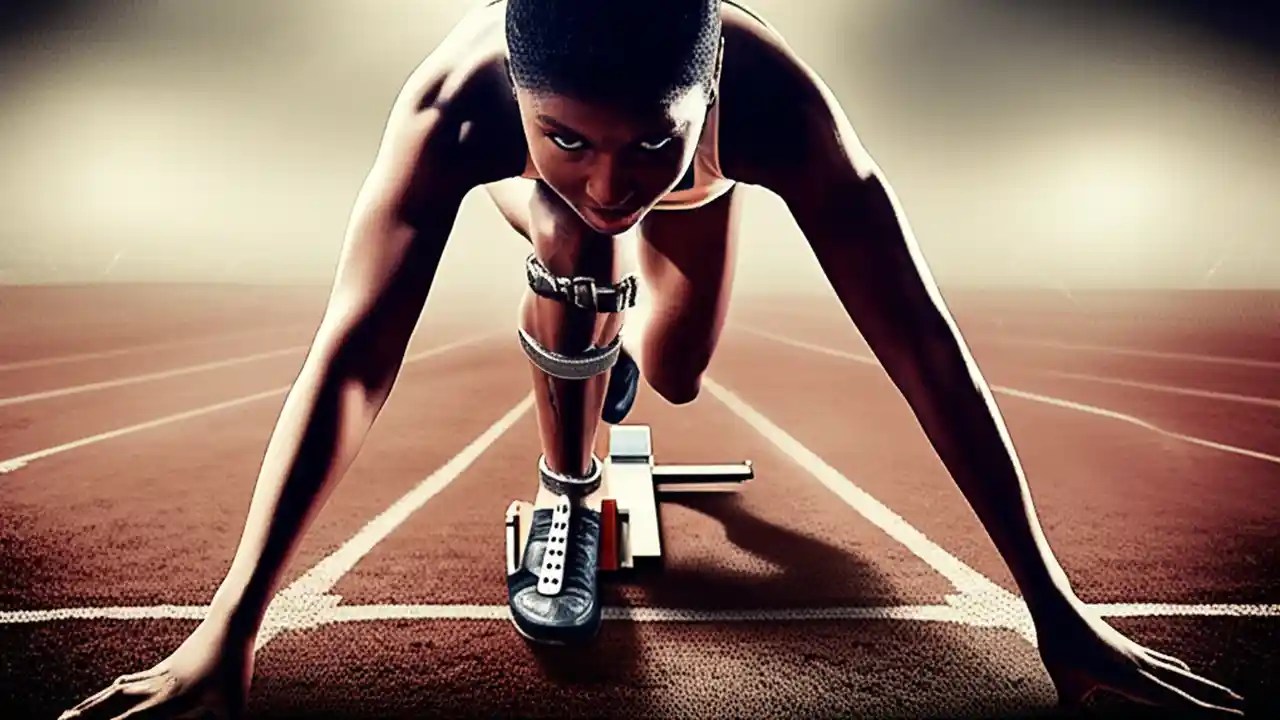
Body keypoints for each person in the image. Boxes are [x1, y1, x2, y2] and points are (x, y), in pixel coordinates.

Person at [60, 1, 1246, 717]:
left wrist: (1056, 611)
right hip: (564, 230)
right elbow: (354, 355)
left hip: (714, 185)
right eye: (562, 136)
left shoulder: (779, 105)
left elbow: (922, 350)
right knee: (574, 241)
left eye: (646, 146)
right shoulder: (451, 108)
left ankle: (605, 283)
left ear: (707, 96)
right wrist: (230, 625)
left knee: (672, 368)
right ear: (517, 99)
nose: (609, 175)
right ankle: (568, 474)